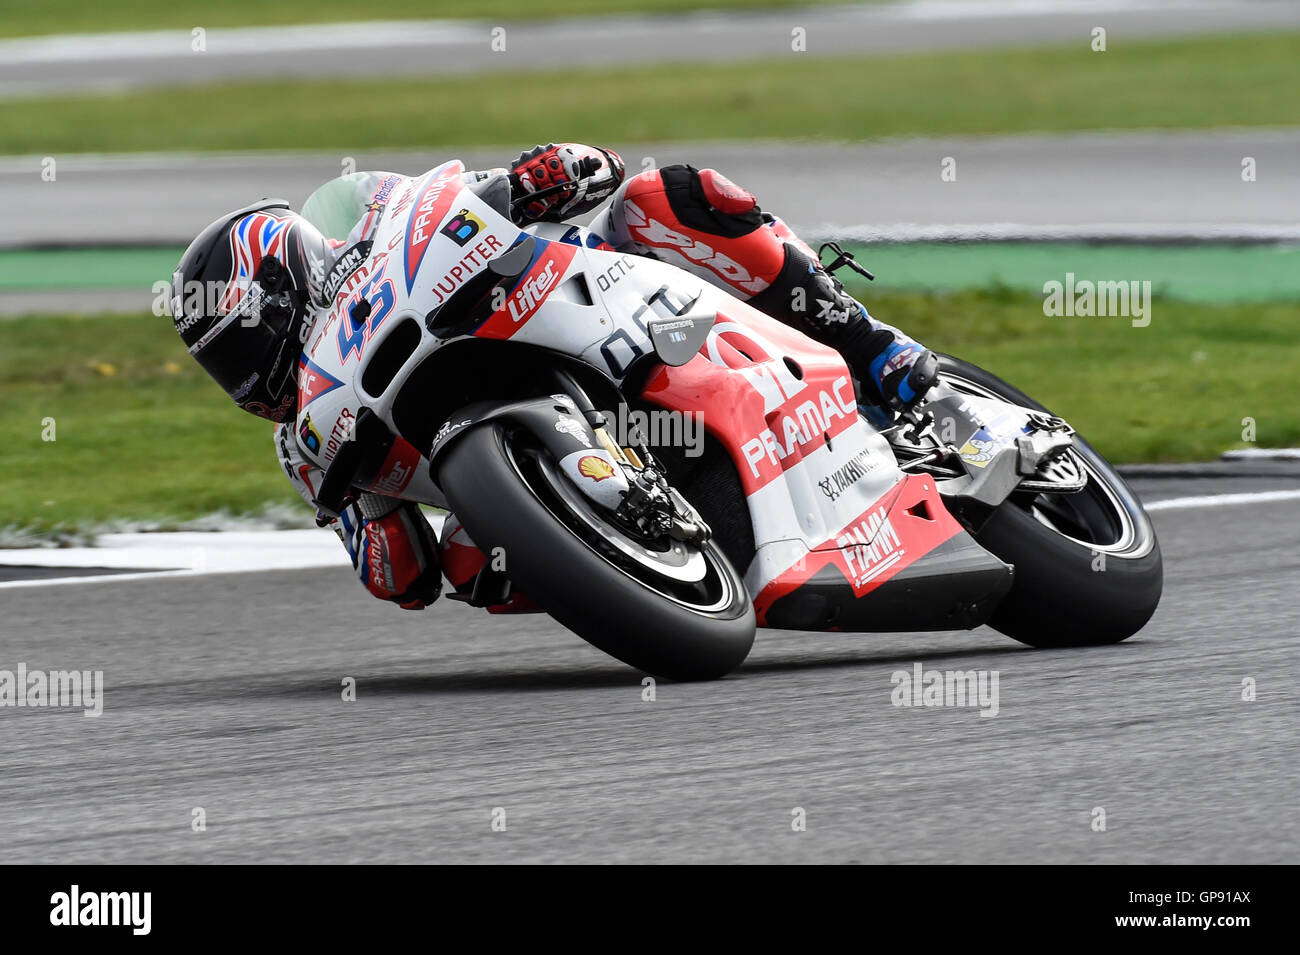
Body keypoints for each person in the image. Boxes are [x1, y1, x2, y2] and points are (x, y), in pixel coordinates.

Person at [170, 143, 938, 611]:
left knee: (665, 196)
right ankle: (644, 565)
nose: (242, 378)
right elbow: (404, 578)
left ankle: (874, 348)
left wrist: (542, 174)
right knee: (477, 563)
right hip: (521, 467)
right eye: (222, 368)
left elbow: (583, 169)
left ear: (284, 285)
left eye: (241, 347)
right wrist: (363, 505)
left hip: (592, 302)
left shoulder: (387, 237)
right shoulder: (305, 445)